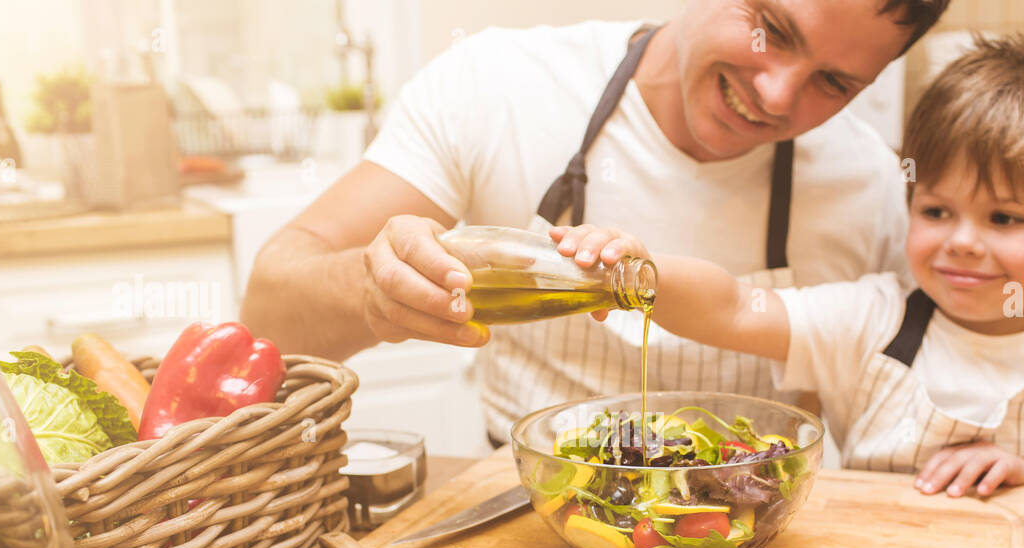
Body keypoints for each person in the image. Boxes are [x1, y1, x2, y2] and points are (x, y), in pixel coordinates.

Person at [241, 1, 950, 447]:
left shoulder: (874, 189)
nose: (773, 93)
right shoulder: (496, 87)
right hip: (519, 526)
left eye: (835, 83)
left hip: (732, 546)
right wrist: (373, 290)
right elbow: (269, 322)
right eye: (769, 29)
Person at [545, 37, 1024, 502]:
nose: (961, 243)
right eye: (937, 210)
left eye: (1004, 220)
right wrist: (641, 271)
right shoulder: (874, 316)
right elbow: (737, 307)